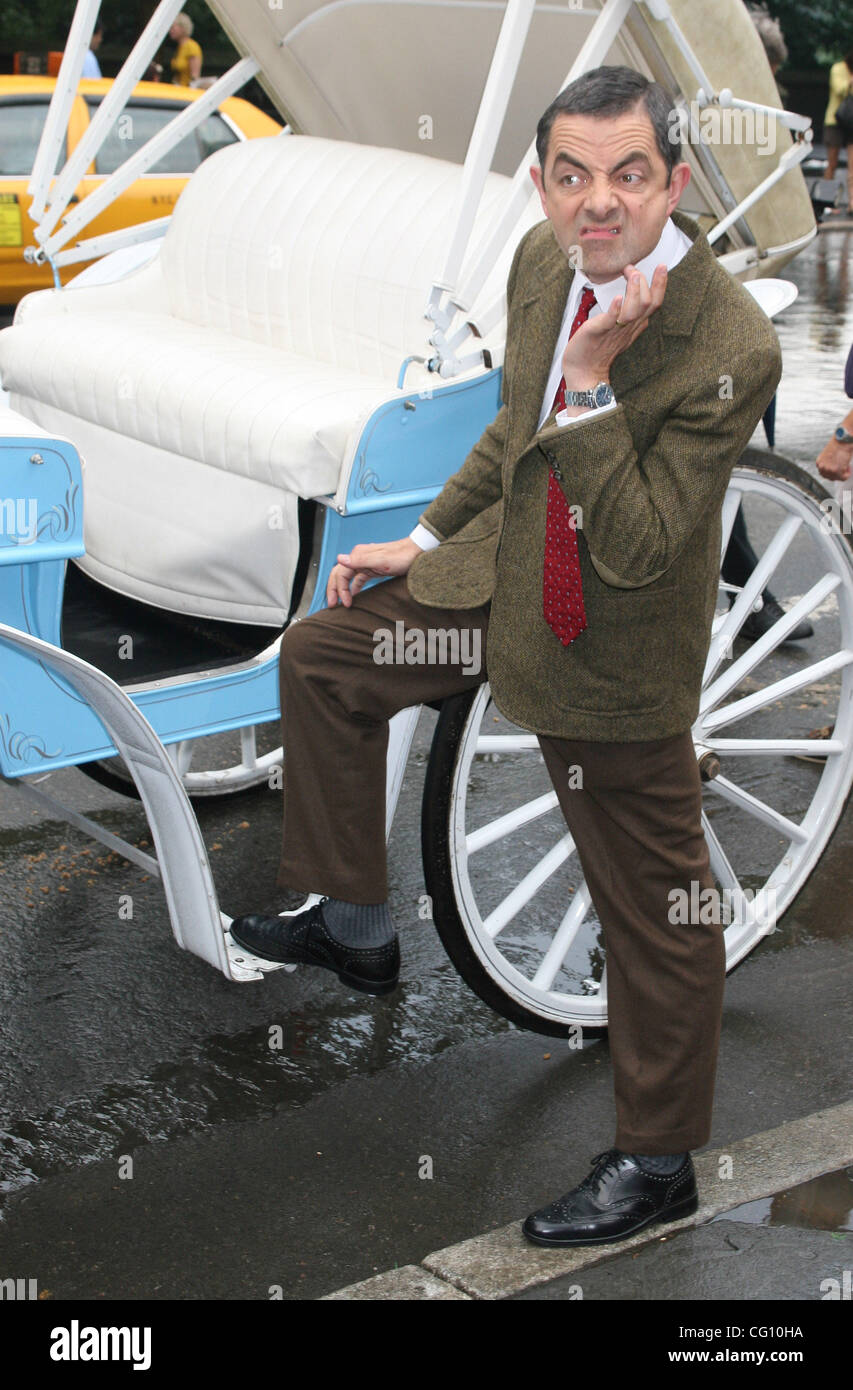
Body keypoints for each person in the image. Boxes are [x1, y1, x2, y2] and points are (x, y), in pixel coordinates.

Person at [231, 66, 782, 1248]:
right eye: (571, 175)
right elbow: (506, 422)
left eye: (627, 176)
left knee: (658, 911)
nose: (597, 204)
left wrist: (588, 392)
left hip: (613, 635)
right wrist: (422, 537)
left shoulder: (727, 341)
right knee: (325, 656)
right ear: (540, 185)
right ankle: (358, 924)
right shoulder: (543, 264)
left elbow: (635, 546)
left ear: (672, 184)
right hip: (499, 575)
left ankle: (655, 1157)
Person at [823, 49, 853, 214]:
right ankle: (827, 201)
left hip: (852, 122)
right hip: (835, 120)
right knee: (832, 164)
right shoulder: (838, 69)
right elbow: (839, 89)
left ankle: (851, 203)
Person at [169, 13, 202, 88]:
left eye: (173, 28)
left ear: (183, 28)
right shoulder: (180, 47)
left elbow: (195, 77)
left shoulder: (192, 47)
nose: (170, 31)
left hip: (186, 92)